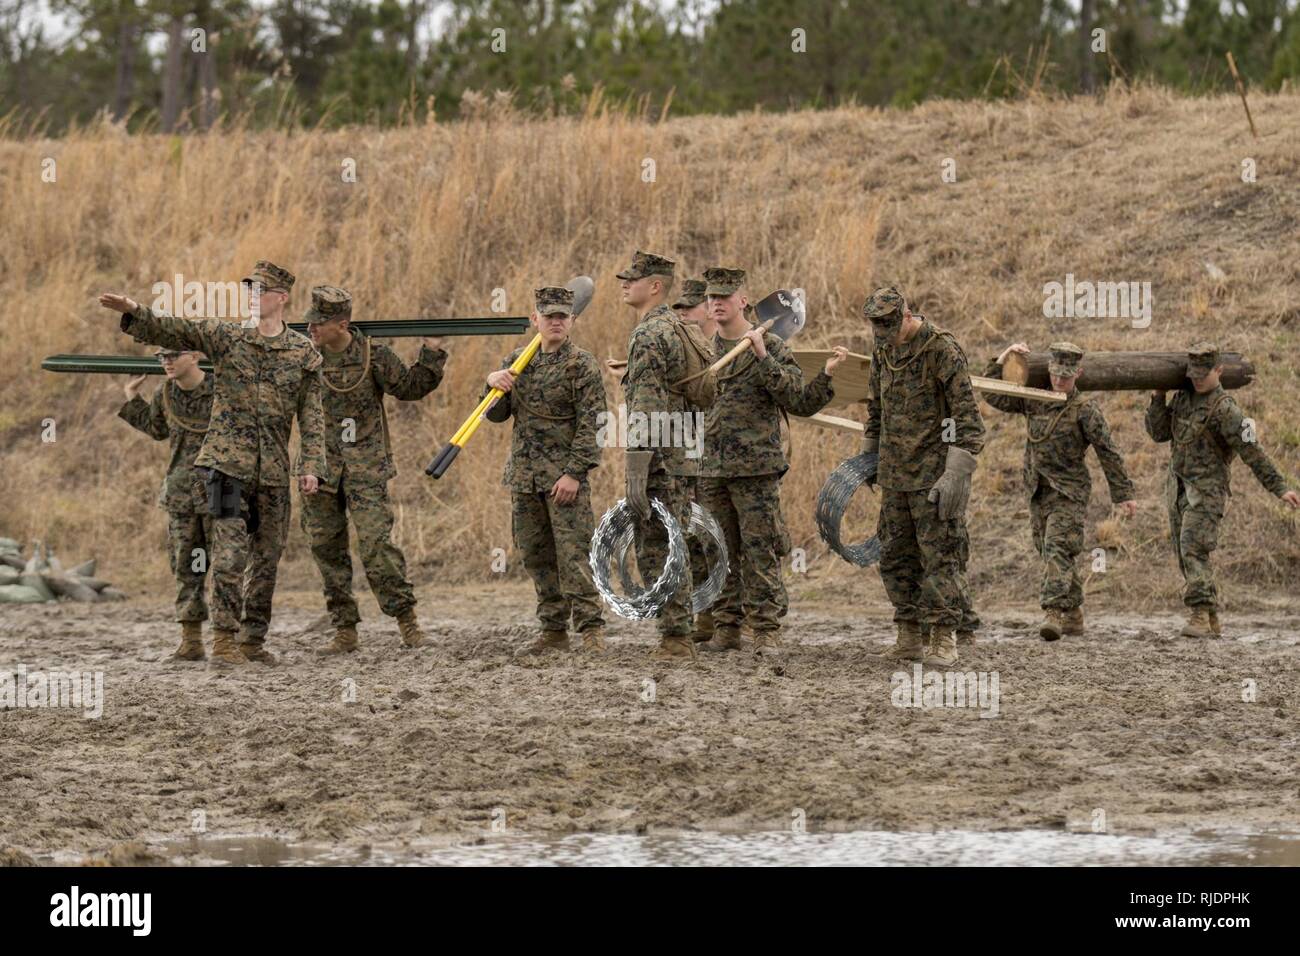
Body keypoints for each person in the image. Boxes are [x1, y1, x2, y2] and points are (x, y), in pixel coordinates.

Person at [99, 260, 326, 667]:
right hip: (223, 467)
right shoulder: (226, 337)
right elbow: (176, 330)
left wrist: (310, 465)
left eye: (261, 291)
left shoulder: (301, 353)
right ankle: (223, 641)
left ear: (282, 298)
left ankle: (252, 641)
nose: (253, 298)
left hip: (272, 471)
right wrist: (135, 309)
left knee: (267, 559)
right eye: (250, 291)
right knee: (229, 555)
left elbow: (312, 415)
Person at [696, 266, 843, 667]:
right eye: (711, 298)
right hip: (711, 469)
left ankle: (766, 629)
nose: (717, 303)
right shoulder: (703, 350)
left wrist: (762, 357)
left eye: (725, 297)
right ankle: (727, 625)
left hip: (756, 469)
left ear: (743, 301)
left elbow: (799, 399)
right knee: (718, 549)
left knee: (760, 550)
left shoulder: (772, 347)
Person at [301, 285, 448, 654]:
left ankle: (408, 624)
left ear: (342, 324)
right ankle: (344, 631)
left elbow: (410, 387)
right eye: (311, 321)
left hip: (366, 468)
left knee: (376, 546)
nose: (311, 328)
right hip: (318, 470)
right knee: (326, 549)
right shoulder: (302, 358)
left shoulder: (374, 355)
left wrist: (431, 354)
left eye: (319, 323)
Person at [862, 286, 985, 667]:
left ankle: (944, 637)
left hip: (934, 476)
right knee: (896, 557)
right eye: (877, 328)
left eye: (889, 326)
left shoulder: (941, 350)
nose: (884, 334)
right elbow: (876, 409)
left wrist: (955, 474)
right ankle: (909, 634)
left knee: (939, 559)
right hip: (895, 475)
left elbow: (969, 421)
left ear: (907, 314)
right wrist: (869, 457)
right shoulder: (883, 349)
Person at [485, 286, 609, 656]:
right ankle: (553, 630)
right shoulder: (518, 361)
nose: (555, 322)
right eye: (548, 316)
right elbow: (495, 415)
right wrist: (491, 384)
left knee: (574, 555)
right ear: (534, 319)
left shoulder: (581, 365)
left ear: (571, 321)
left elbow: (594, 425)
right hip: (525, 477)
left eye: (562, 316)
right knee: (536, 555)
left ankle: (591, 630)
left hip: (563, 479)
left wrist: (574, 473)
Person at [1144, 342, 1298, 637]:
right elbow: (1158, 433)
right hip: (1177, 488)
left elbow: (1253, 450)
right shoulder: (1182, 399)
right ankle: (1212, 618)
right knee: (1182, 550)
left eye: (1204, 373)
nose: (1198, 379)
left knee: (1193, 547)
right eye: (1194, 374)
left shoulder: (1229, 411)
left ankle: (1199, 614)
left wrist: (1279, 487)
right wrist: (1157, 397)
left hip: (1208, 492)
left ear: (1219, 370)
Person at [984, 341, 1137, 640]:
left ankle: (1053, 612)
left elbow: (1109, 452)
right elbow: (993, 394)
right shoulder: (1033, 398)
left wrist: (1124, 494)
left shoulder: (1085, 411)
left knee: (1057, 548)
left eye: (1065, 376)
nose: (1058, 380)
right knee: (1051, 552)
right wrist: (1002, 359)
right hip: (1037, 491)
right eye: (1055, 374)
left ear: (1078, 373)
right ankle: (1073, 613)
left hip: (1069, 493)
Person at [620, 250, 699, 660]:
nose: (624, 284)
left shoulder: (649, 334)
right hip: (680, 454)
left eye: (632, 279)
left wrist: (636, 467)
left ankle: (676, 637)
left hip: (658, 460)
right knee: (674, 542)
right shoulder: (679, 327)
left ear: (655, 286)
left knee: (658, 547)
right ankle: (679, 632)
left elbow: (648, 406)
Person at [117, 349, 215, 660]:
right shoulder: (165, 392)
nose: (167, 362)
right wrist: (133, 398)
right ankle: (191, 640)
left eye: (174, 355)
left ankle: (231, 639)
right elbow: (157, 430)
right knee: (186, 565)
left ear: (196, 356)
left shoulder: (222, 389)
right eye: (162, 357)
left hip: (221, 492)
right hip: (181, 493)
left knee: (229, 566)